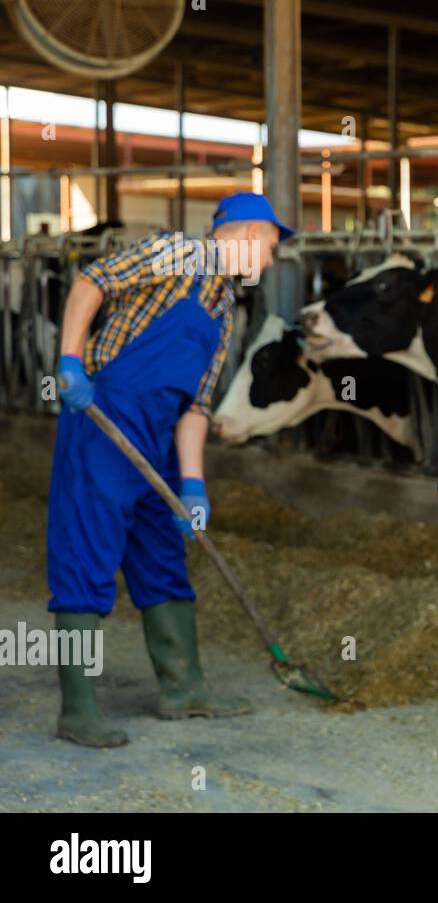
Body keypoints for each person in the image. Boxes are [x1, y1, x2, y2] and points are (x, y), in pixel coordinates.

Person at [49, 192, 294, 747]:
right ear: (246, 233)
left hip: (159, 436)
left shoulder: (224, 308)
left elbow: (197, 406)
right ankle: (78, 709)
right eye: (272, 246)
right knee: (86, 553)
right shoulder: (176, 252)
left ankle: (184, 688)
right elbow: (94, 281)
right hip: (103, 416)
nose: (272, 259)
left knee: (162, 553)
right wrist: (70, 359)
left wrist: (192, 484)